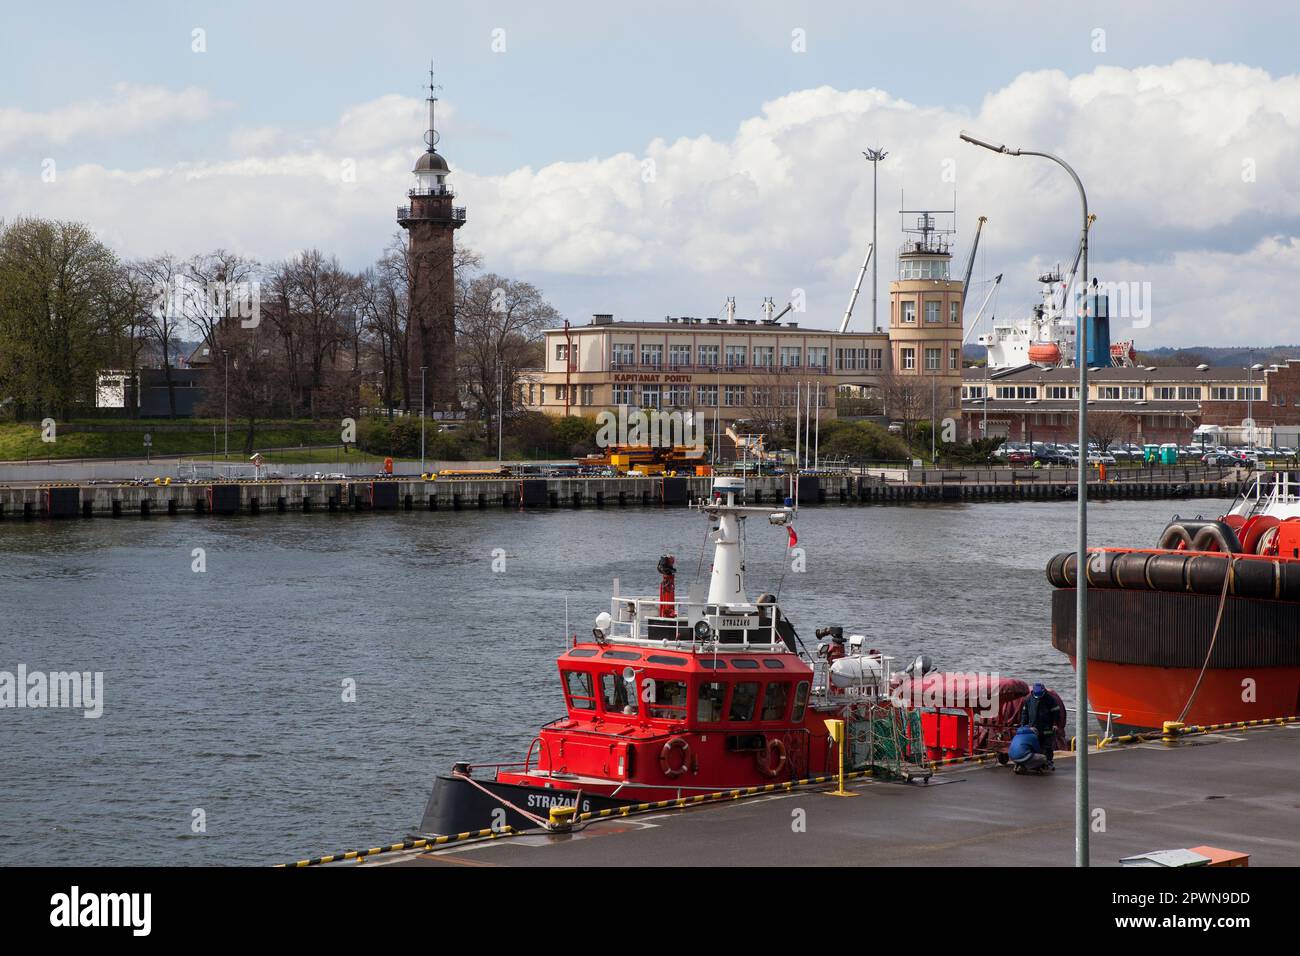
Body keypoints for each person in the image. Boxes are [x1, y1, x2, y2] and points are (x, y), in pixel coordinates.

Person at [1020, 683, 1061, 769]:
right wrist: (1023, 725)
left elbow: (1056, 713)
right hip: (1033, 728)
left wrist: (1055, 724)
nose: (1038, 697)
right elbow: (1024, 713)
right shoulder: (1028, 699)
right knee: (1034, 746)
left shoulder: (1050, 699)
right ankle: (1035, 763)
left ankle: (1048, 762)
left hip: (1047, 728)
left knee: (1047, 746)